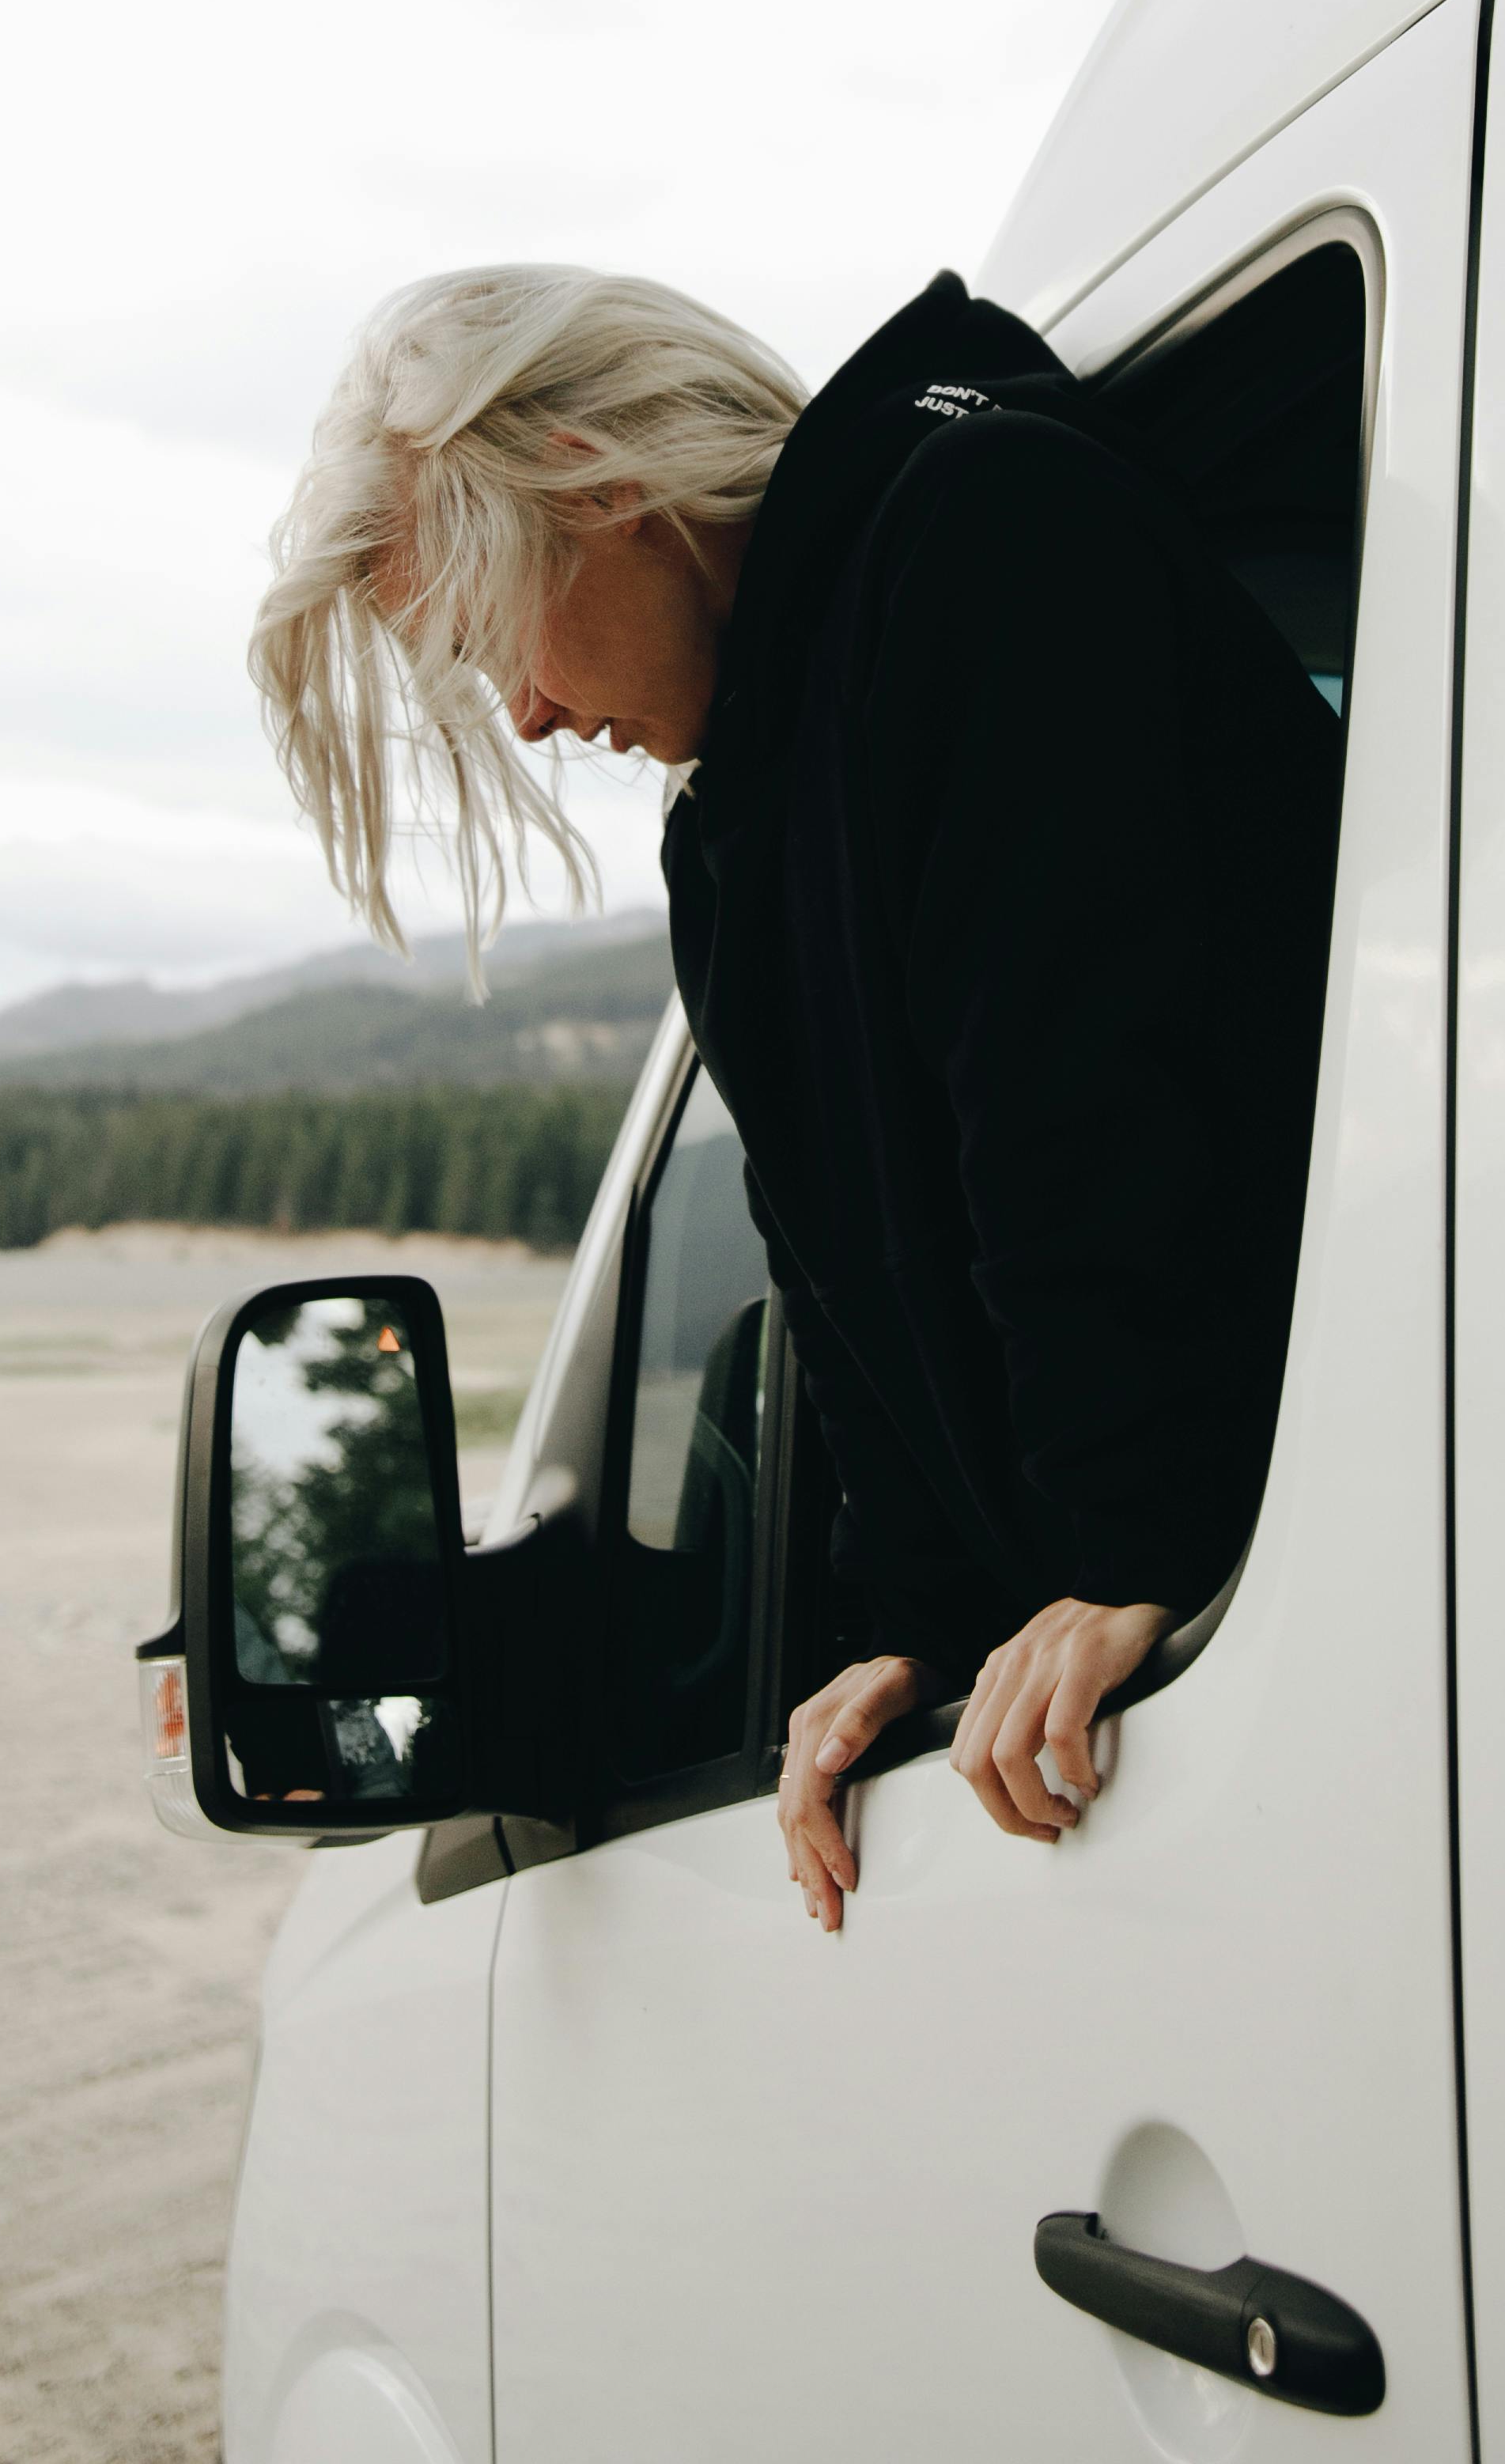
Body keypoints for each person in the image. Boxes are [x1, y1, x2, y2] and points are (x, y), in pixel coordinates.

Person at [250, 264, 1343, 1926]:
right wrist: (908, 1627)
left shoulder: (986, 525)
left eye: (488, 640)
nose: (531, 717)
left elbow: (1079, 1089)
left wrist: (1137, 1550)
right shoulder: (736, 819)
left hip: (1306, 1619)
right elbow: (832, 1256)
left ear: (593, 476)